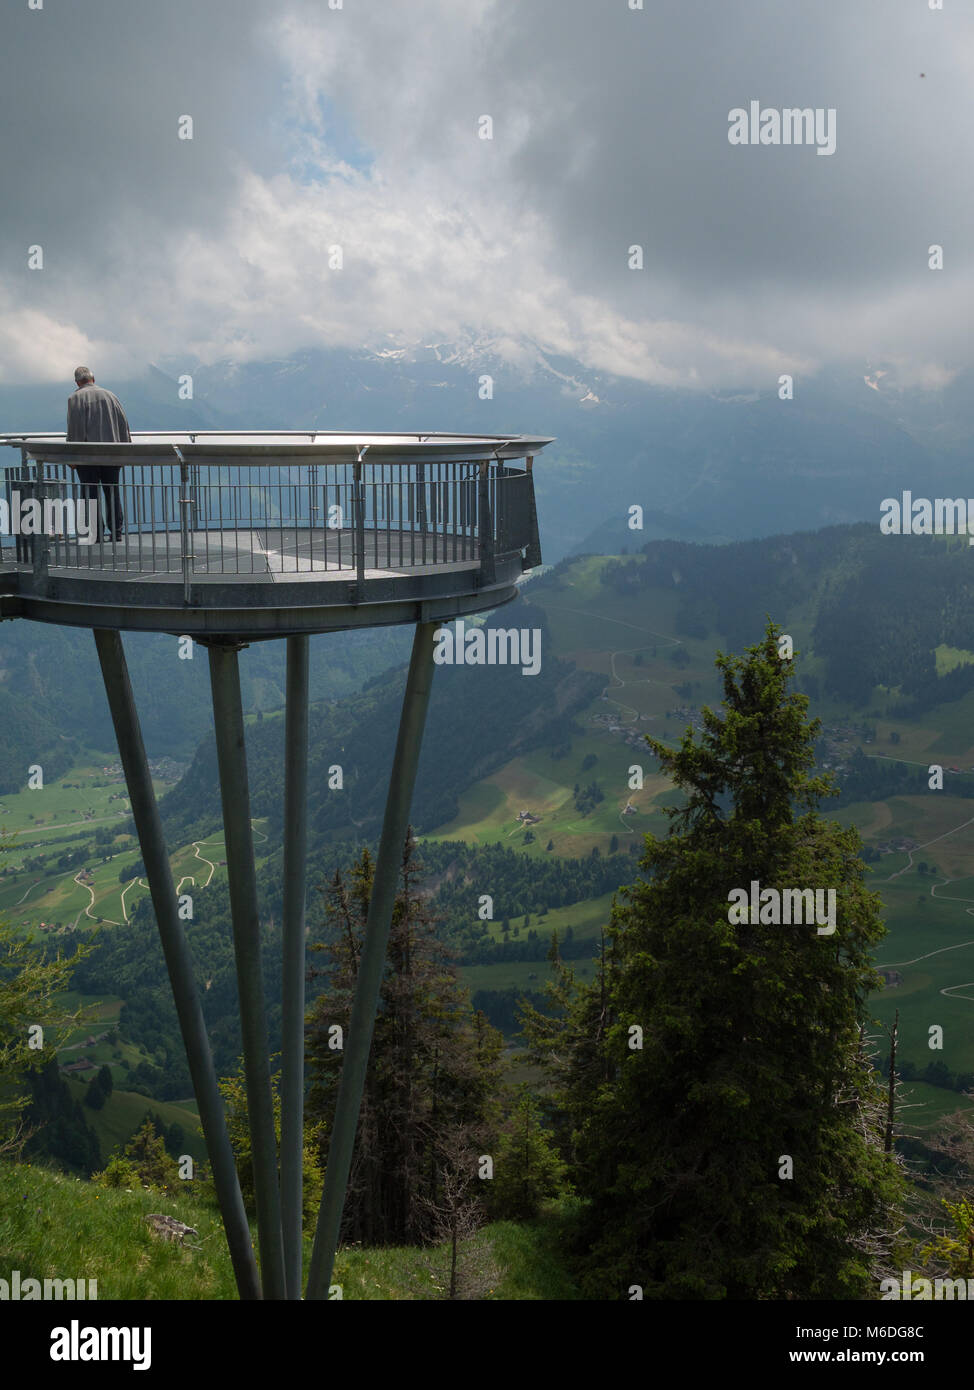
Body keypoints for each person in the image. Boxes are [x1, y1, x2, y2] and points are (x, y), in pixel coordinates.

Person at [66, 367, 131, 540]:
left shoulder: (75, 398)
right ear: (93, 379)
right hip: (112, 454)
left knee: (90, 494)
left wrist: (72, 456)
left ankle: (96, 533)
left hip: (87, 457)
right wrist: (125, 450)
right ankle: (117, 531)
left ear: (77, 382)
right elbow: (123, 424)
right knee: (112, 492)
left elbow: (75, 429)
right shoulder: (111, 396)